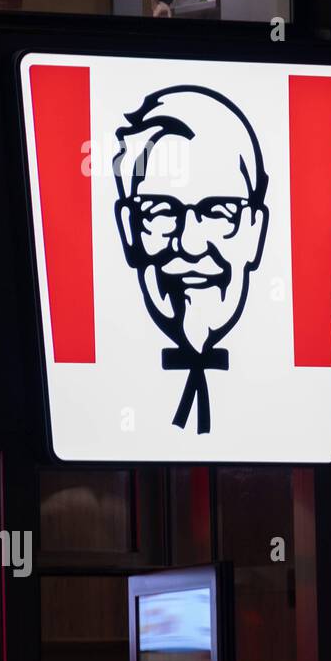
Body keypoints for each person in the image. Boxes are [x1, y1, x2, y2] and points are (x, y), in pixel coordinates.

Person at [112, 86, 270, 434]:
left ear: (255, 231)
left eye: (218, 212)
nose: (190, 243)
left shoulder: (285, 408)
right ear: (128, 229)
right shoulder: (104, 396)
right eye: (162, 211)